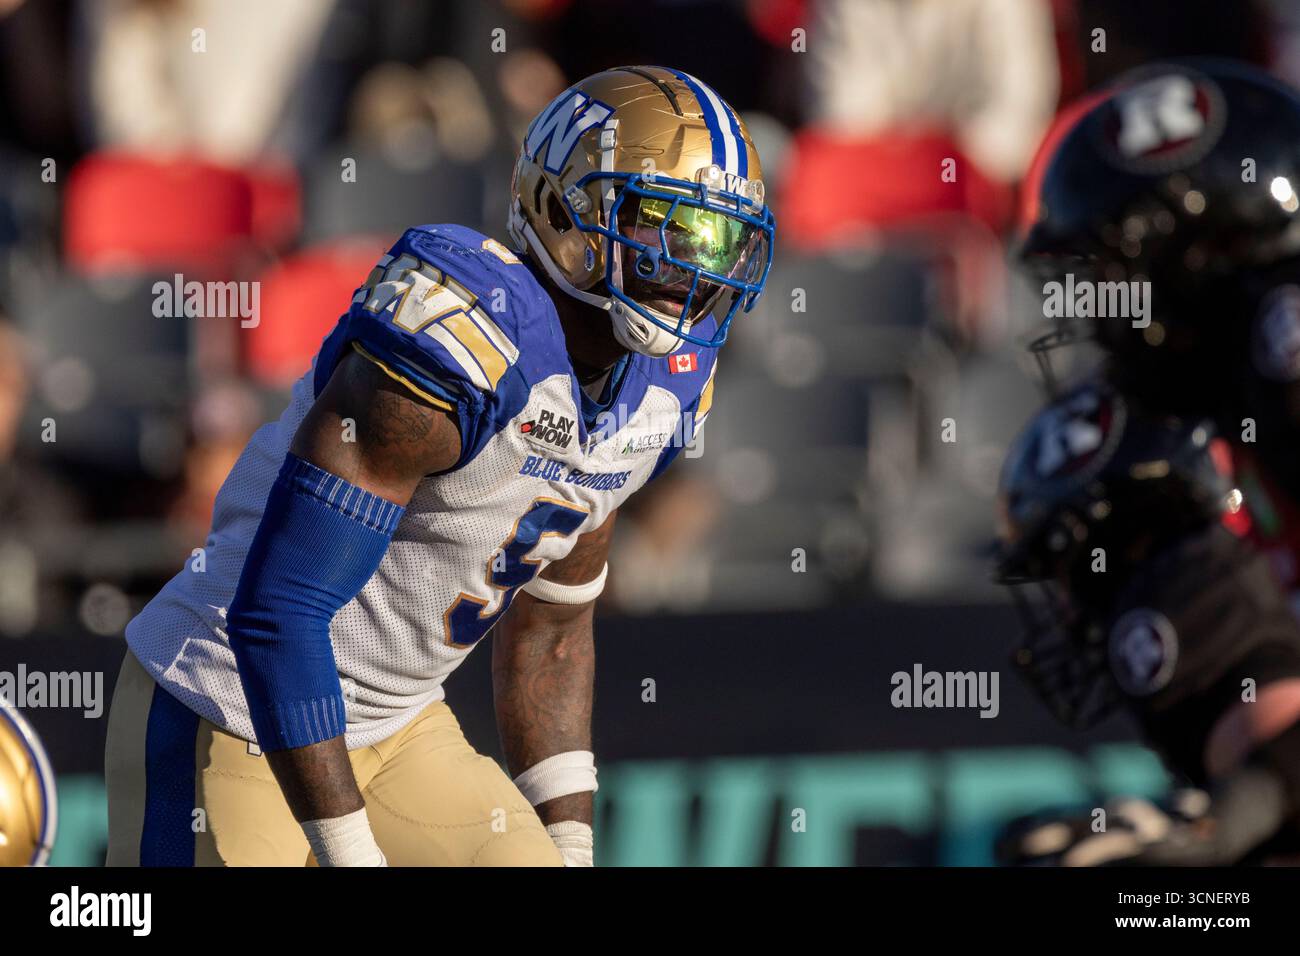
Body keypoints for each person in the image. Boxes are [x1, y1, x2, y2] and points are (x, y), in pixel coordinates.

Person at [104, 66, 774, 867]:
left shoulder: (661, 390)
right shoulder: (462, 341)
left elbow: (553, 630)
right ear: (568, 210)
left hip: (398, 727)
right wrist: (352, 855)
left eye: (716, 238)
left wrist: (568, 844)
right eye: (666, 226)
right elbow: (277, 613)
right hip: (226, 699)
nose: (696, 270)